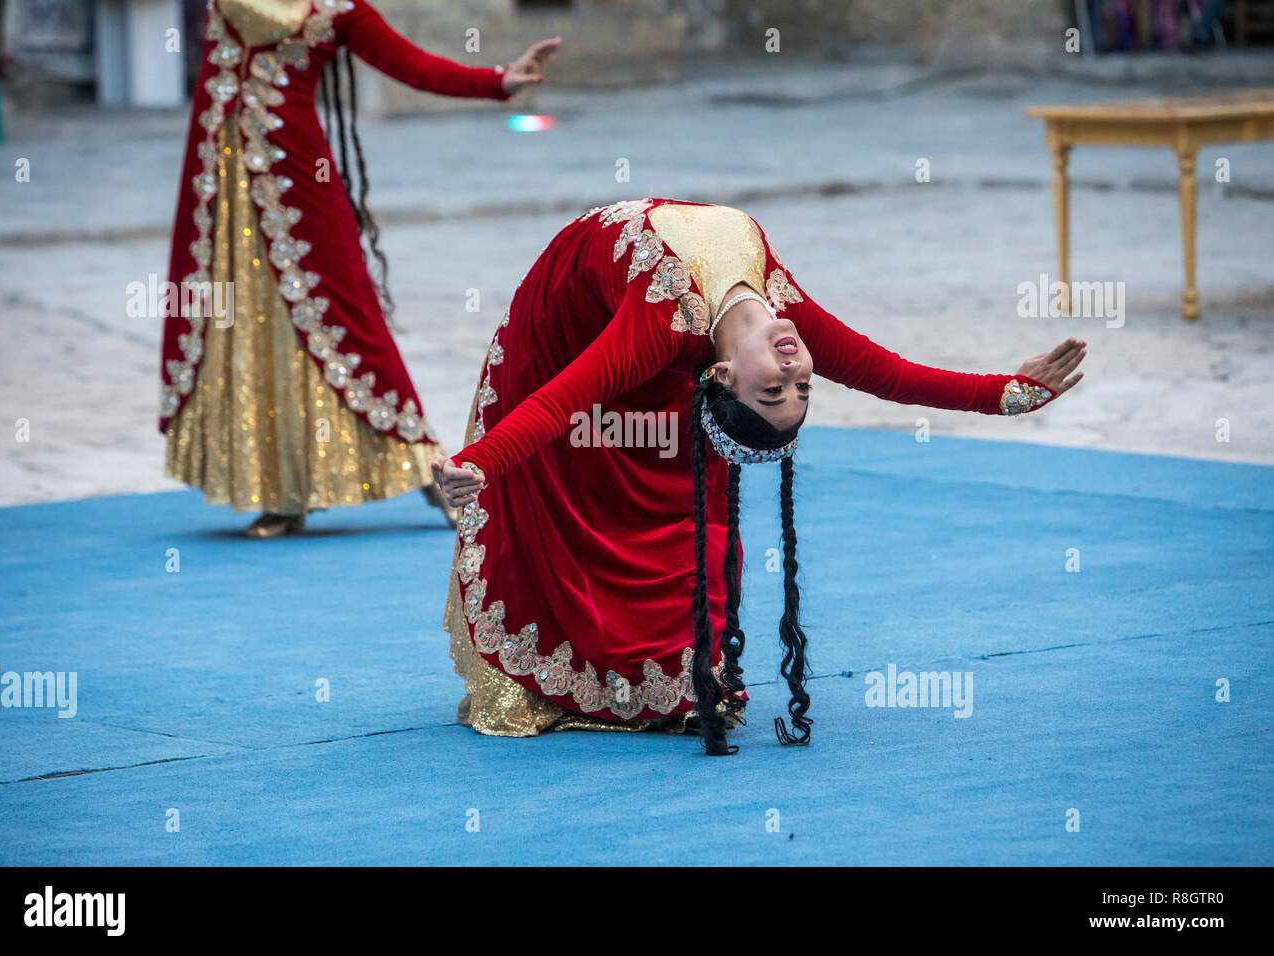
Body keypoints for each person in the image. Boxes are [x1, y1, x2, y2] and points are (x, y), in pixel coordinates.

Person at [433, 198, 1086, 755]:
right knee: (584, 485)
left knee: (667, 504)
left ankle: (648, 669)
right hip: (565, 320)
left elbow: (553, 403)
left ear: (722, 379)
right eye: (802, 387)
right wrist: (1011, 391)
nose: (795, 370)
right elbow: (892, 374)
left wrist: (471, 466)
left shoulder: (662, 327)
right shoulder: (780, 317)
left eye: (777, 391)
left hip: (581, 350)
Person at [159, 0, 559, 536]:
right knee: (242, 324)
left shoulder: (339, 10)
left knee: (345, 318)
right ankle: (280, 488)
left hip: (296, 185)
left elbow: (410, 65)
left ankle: (427, 465)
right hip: (219, 192)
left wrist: (496, 80)